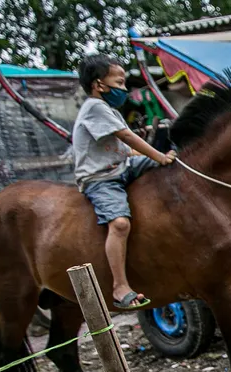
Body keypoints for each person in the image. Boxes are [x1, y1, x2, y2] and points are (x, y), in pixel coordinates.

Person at [72, 54, 176, 310]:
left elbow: (124, 150)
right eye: (118, 83)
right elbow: (128, 137)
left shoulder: (109, 109)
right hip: (101, 178)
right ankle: (120, 286)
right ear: (99, 85)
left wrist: (163, 159)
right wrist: (159, 156)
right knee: (119, 224)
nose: (123, 89)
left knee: (175, 167)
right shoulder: (95, 107)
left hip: (123, 167)